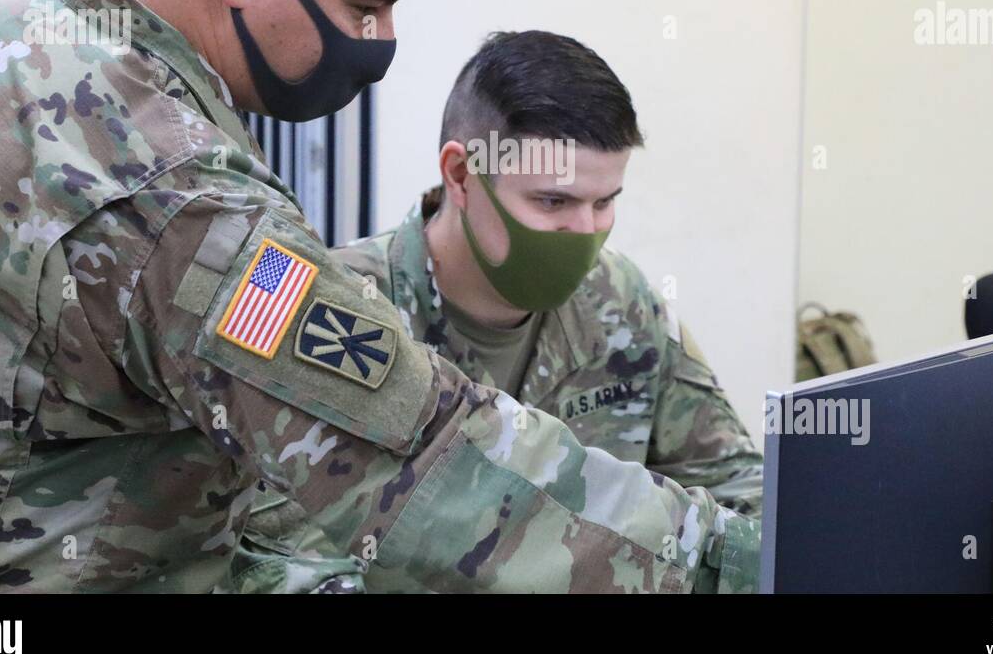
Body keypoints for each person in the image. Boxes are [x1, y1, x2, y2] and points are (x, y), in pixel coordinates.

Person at [0, 0, 757, 593]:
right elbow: (423, 460)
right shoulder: (182, 199)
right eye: (364, 6)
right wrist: (741, 563)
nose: (382, 42)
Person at [231, 30, 763, 593]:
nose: (585, 232)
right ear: (461, 175)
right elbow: (277, 560)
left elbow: (736, 486)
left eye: (604, 202)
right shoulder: (338, 312)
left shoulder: (619, 300)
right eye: (553, 201)